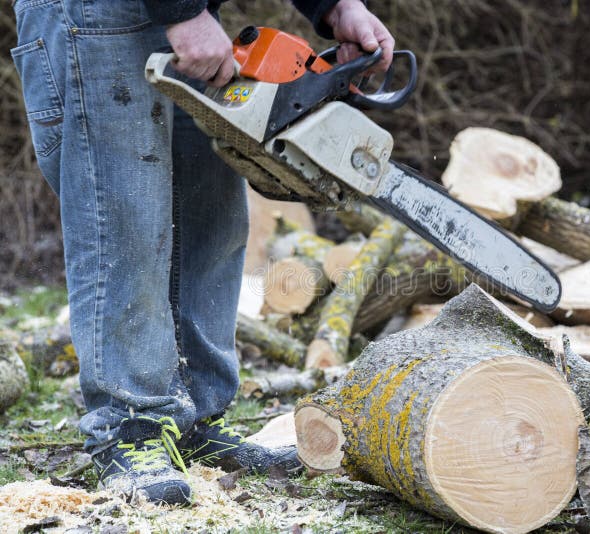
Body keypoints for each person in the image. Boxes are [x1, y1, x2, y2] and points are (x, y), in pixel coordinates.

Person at [11, 0, 395, 506]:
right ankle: (132, 426)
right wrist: (183, 12)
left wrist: (336, 7)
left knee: (211, 213)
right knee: (125, 219)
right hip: (97, 14)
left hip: (183, 16)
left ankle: (194, 418)